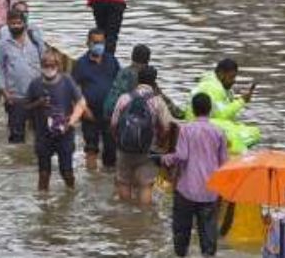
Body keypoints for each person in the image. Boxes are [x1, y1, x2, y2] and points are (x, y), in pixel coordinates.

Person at [160, 93, 229, 258]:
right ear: (210, 110)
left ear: (193, 109)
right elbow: (224, 163)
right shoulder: (219, 132)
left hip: (186, 190)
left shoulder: (186, 129)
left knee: (182, 231)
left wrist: (167, 158)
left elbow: (182, 156)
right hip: (210, 191)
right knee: (208, 233)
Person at [111, 65, 173, 205]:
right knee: (146, 185)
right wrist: (160, 143)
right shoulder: (157, 101)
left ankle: (125, 213)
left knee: (124, 182)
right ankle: (143, 218)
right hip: (147, 150)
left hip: (124, 149)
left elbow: (114, 124)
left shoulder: (124, 98)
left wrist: (120, 142)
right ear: (154, 82)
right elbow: (167, 126)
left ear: (138, 80)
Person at [25, 51, 86, 191]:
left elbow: (81, 102)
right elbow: (26, 106)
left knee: (67, 172)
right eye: (45, 65)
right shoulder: (35, 84)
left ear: (58, 66)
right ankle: (43, 204)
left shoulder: (67, 80)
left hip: (65, 134)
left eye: (52, 65)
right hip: (43, 135)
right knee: (44, 174)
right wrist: (38, 103)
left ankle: (71, 193)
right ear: (41, 66)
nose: (49, 68)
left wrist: (70, 122)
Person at [187, 58, 261, 155]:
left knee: (249, 131)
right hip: (201, 124)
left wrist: (237, 101)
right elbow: (221, 115)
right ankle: (240, 157)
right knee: (251, 133)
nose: (234, 81)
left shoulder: (214, 84)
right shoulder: (214, 88)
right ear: (221, 74)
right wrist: (241, 101)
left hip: (200, 122)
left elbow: (221, 112)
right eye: (231, 77)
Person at [72, 28, 120, 170]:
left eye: (101, 42)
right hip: (90, 114)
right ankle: (91, 180)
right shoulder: (81, 64)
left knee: (111, 150)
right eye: (95, 42)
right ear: (88, 43)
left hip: (109, 114)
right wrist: (84, 110)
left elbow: (120, 85)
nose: (99, 45)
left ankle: (107, 179)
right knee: (91, 148)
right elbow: (73, 89)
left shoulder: (112, 61)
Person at [0, 6, 45, 143]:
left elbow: (46, 64)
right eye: (12, 23)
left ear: (24, 23)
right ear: (8, 24)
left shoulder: (35, 40)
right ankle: (16, 163)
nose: (16, 26)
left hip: (37, 96)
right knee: (16, 136)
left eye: (18, 23)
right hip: (15, 97)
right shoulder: (3, 44)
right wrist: (6, 95)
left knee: (40, 134)